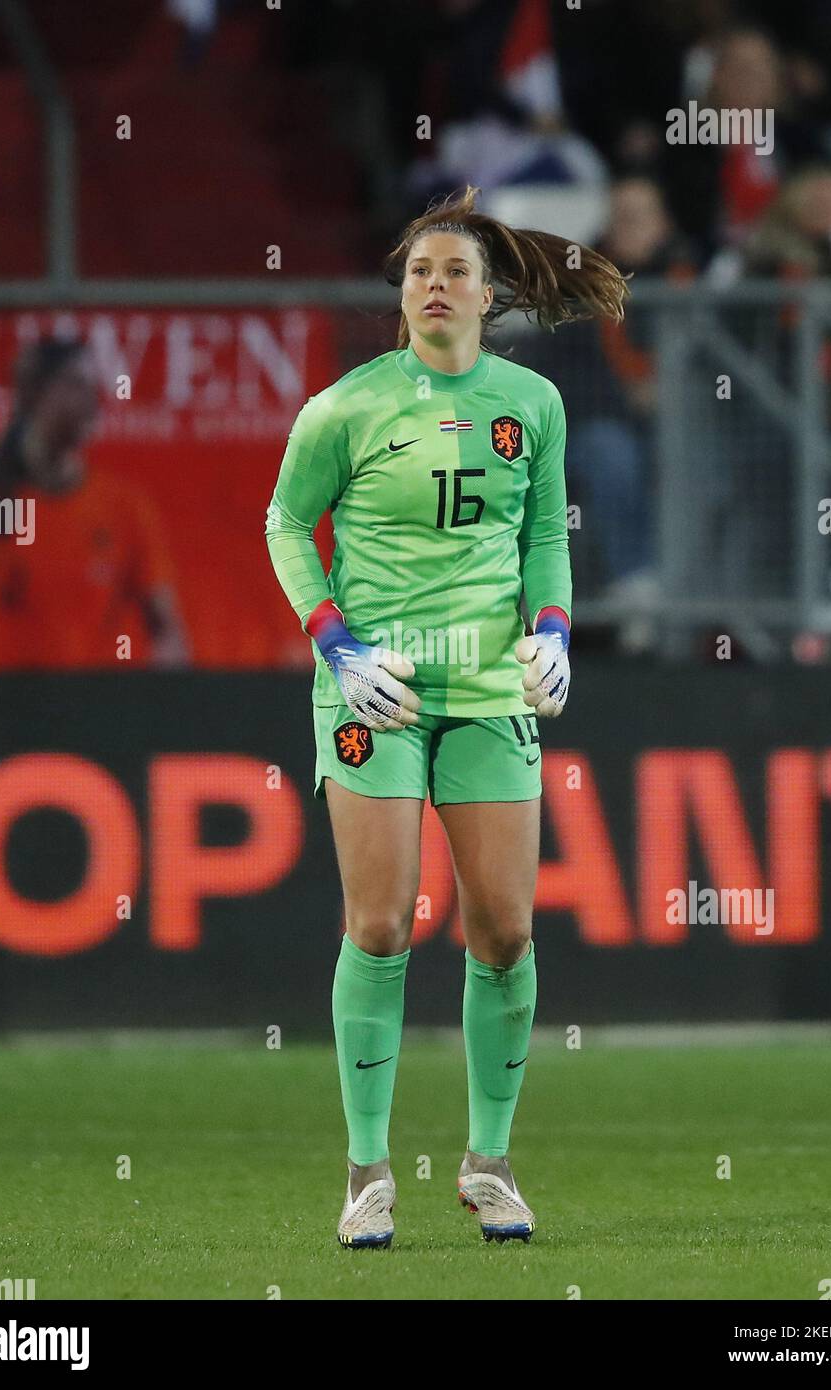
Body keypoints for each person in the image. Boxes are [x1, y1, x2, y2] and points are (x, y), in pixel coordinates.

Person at [265, 185, 627, 1248]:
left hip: (486, 687)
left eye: (455, 271)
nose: (435, 286)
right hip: (375, 688)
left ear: (491, 293)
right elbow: (288, 523)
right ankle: (367, 1172)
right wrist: (336, 642)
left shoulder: (535, 407)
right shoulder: (346, 406)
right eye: (421, 270)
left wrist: (554, 629)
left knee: (505, 931)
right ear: (403, 290)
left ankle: (489, 1163)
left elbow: (543, 540)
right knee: (381, 924)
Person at [0, 337, 189, 670]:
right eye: (74, 384)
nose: (90, 400)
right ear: (33, 394)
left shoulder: (124, 508)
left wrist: (159, 703)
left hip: (90, 714)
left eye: (93, 387)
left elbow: (166, 629)